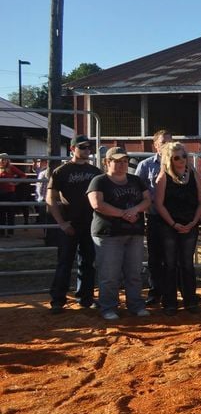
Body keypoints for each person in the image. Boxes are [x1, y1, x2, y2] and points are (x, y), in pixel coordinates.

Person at [87, 147, 151, 321]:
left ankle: (136, 305)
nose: (122, 165)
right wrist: (125, 213)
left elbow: (147, 199)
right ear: (107, 162)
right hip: (108, 234)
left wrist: (135, 209)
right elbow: (97, 204)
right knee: (109, 274)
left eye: (124, 161)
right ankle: (108, 307)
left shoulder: (136, 180)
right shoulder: (99, 181)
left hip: (134, 232)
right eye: (116, 161)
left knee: (134, 272)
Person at [46, 135, 102, 313]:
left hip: (90, 224)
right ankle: (57, 300)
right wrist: (61, 223)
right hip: (70, 223)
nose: (87, 150)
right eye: (83, 147)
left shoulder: (95, 171)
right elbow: (51, 198)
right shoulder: (61, 171)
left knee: (88, 262)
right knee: (65, 262)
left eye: (89, 147)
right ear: (72, 149)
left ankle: (85, 298)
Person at [153, 142, 201, 315]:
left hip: (190, 224)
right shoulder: (163, 178)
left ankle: (190, 300)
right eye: (177, 157)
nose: (182, 160)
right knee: (170, 264)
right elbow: (159, 205)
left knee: (187, 263)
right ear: (169, 159)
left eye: (184, 156)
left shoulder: (194, 174)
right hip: (169, 225)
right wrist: (173, 224)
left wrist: (193, 221)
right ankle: (170, 302)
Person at [135, 130, 172, 305]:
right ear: (155, 145)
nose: (166, 145)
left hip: (174, 217)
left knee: (174, 257)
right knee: (155, 256)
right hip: (154, 217)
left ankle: (172, 292)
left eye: (169, 141)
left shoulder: (178, 162)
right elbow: (135, 190)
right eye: (163, 142)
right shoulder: (145, 165)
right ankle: (155, 292)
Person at [0, 153, 26, 236]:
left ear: (7, 160)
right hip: (1, 193)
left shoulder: (11, 167)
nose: (3, 161)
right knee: (1, 214)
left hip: (10, 193)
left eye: (4, 159)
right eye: (1, 159)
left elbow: (23, 175)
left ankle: (10, 232)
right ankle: (2, 232)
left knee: (10, 213)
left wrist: (16, 183)